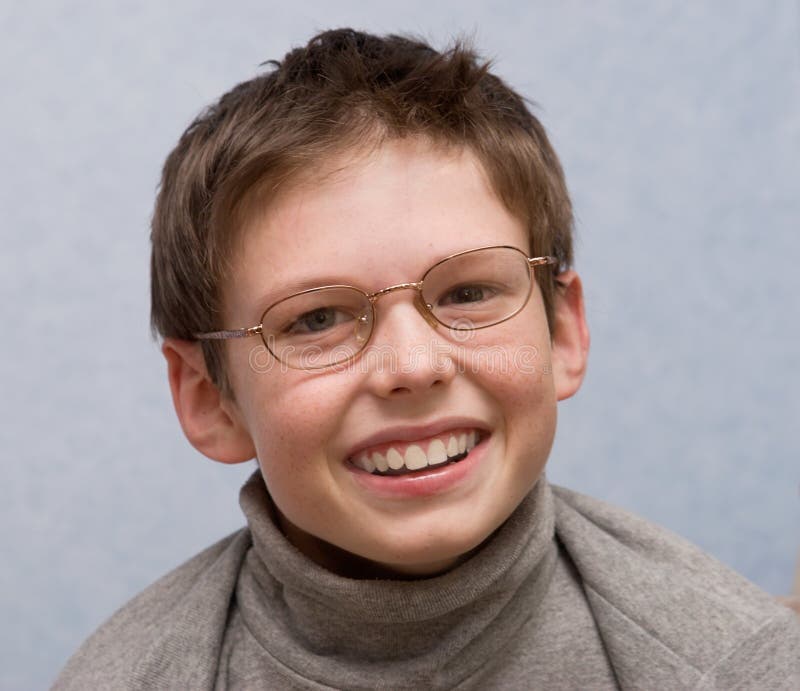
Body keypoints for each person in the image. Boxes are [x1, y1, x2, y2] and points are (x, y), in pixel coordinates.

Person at [53, 28, 800, 690]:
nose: (413, 364)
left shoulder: (730, 663)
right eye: (317, 318)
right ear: (209, 399)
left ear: (562, 333)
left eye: (468, 292)